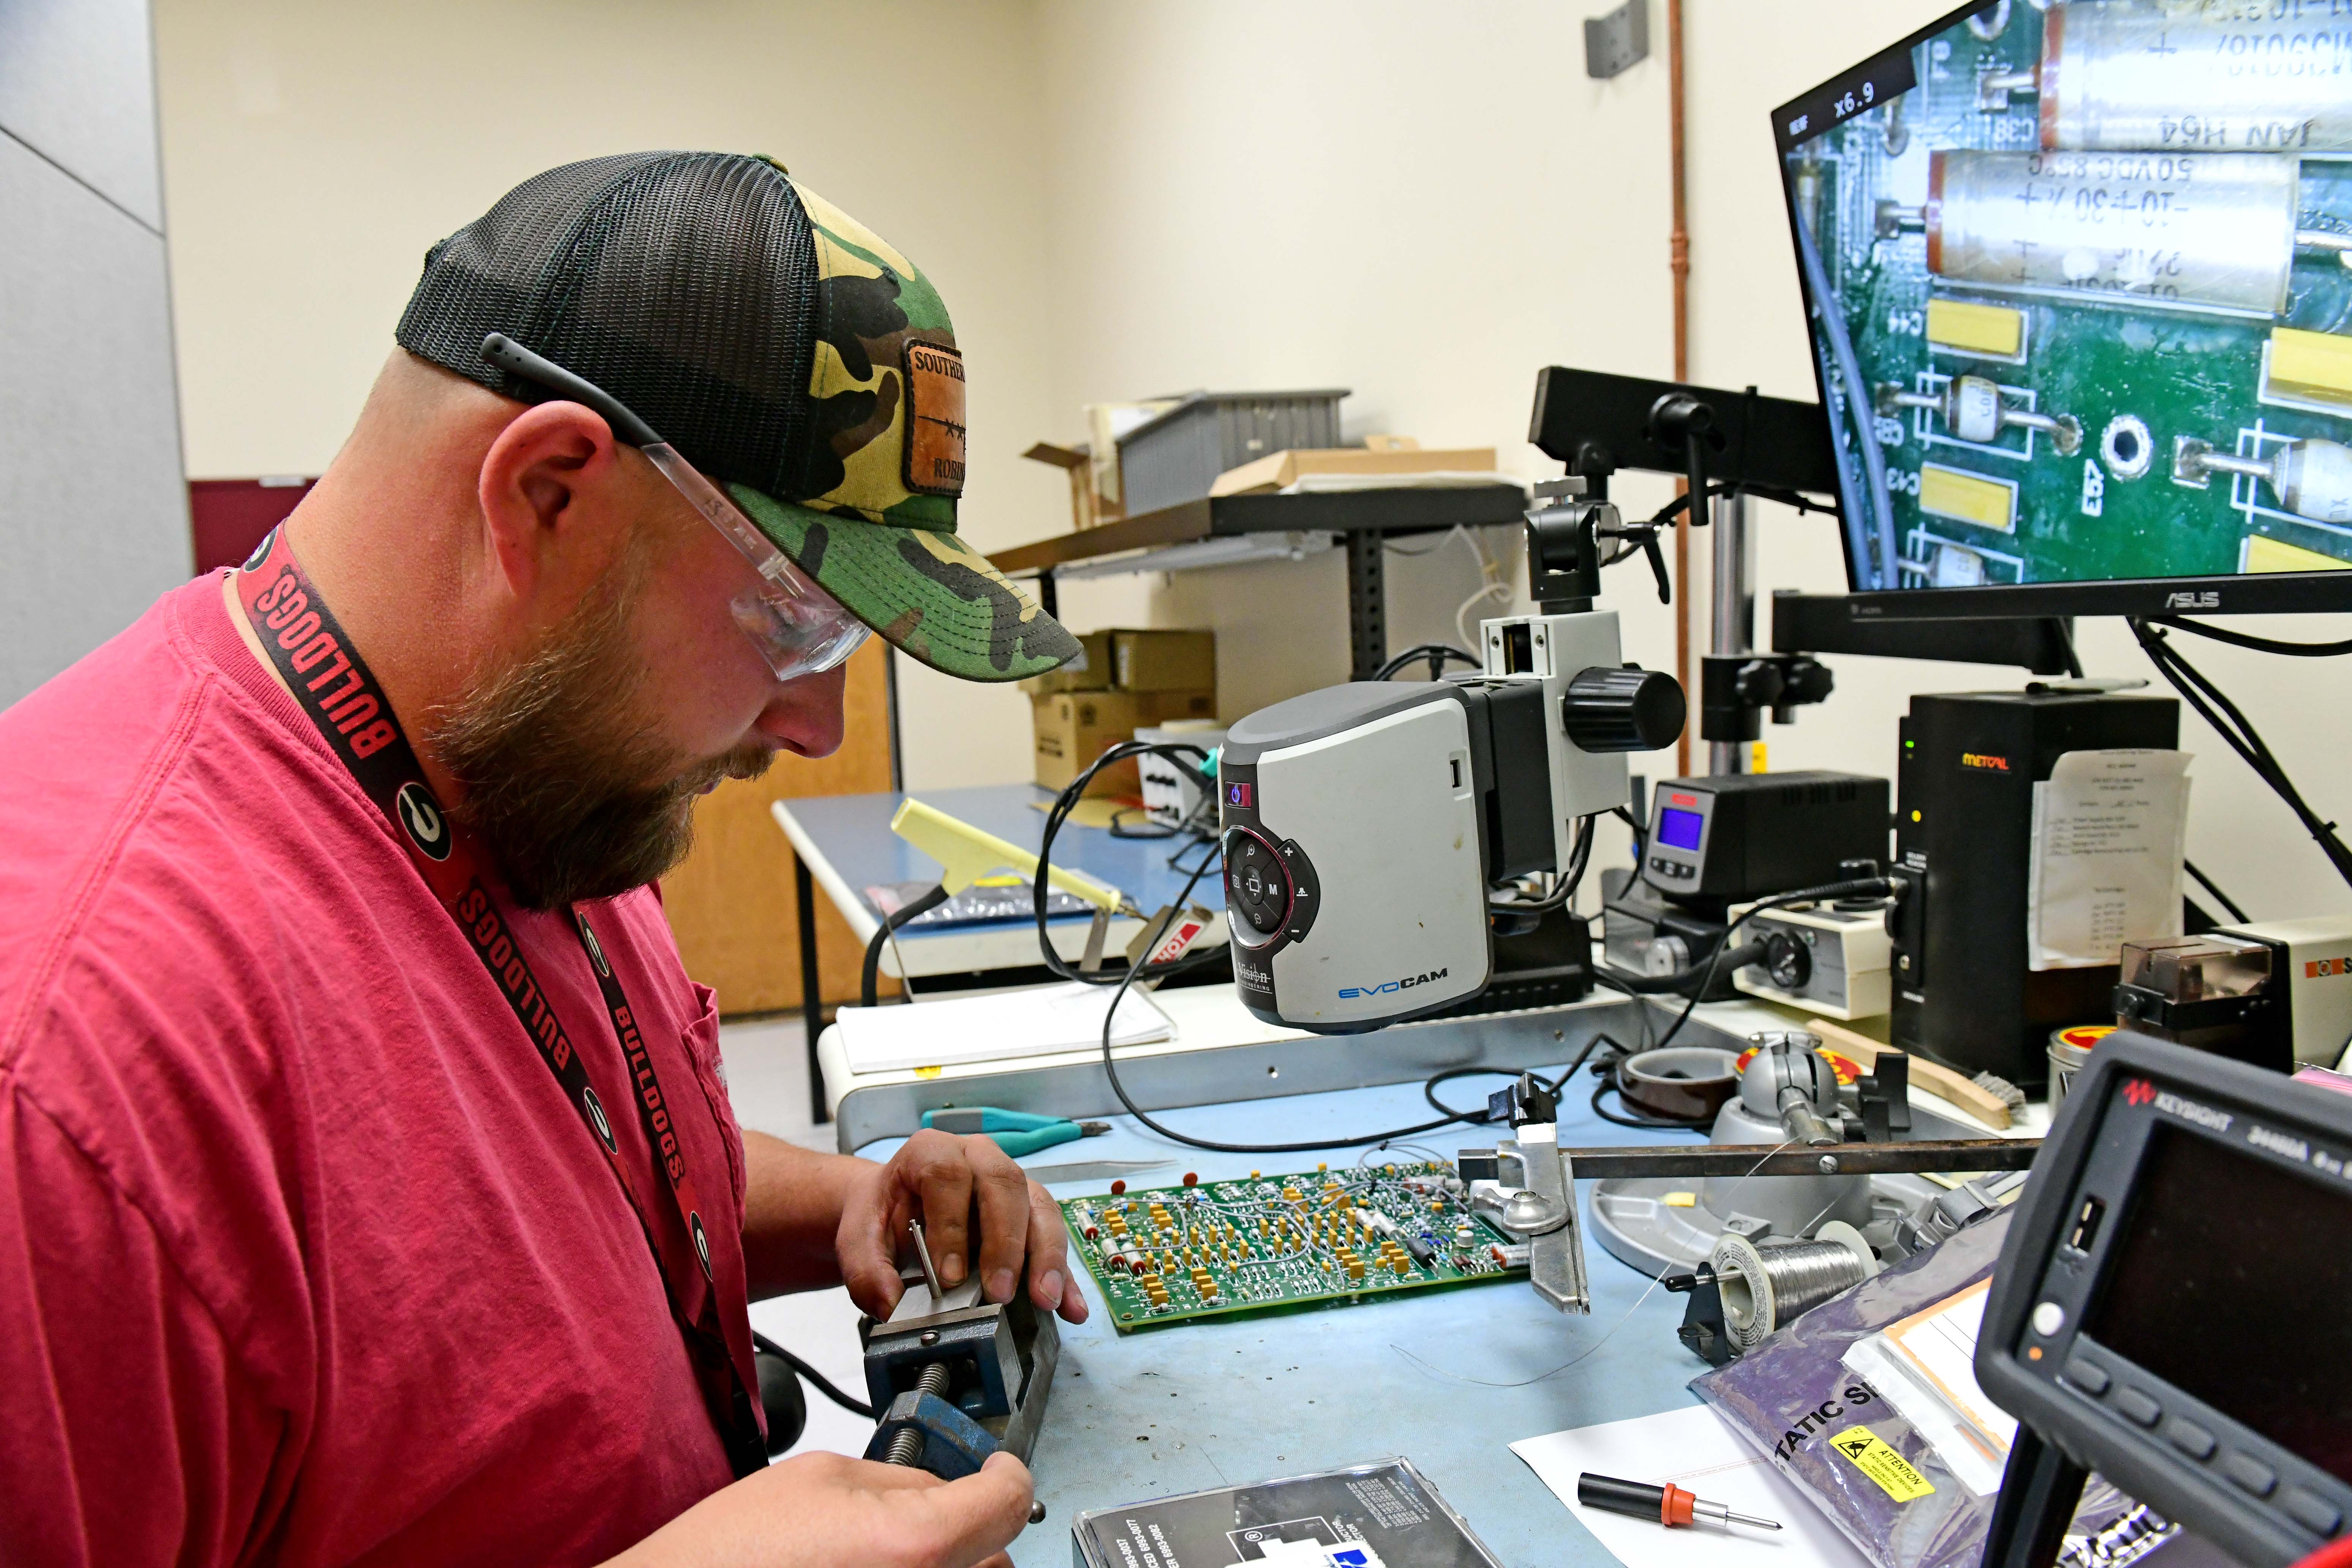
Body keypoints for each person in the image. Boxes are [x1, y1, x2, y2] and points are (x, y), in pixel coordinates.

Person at [0, 152, 1088, 1568]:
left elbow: (537, 1189)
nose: (821, 726)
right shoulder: (72, 1082)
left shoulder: (526, 769)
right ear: (550, 493)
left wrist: (847, 1203)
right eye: (794, 627)